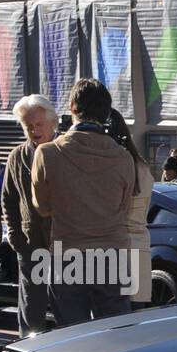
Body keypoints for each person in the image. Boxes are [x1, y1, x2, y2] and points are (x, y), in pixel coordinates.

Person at [31, 78, 135, 326]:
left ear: (72, 107)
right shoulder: (123, 157)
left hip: (68, 253)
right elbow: (125, 209)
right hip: (112, 254)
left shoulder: (47, 153)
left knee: (72, 337)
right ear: (107, 112)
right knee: (115, 335)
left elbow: (42, 208)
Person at [1, 95, 58, 337]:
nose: (33, 130)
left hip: (65, 242)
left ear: (53, 123)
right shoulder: (17, 156)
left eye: (38, 124)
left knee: (66, 305)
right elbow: (8, 198)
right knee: (31, 307)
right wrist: (15, 236)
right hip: (30, 242)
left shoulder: (64, 151)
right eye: (28, 126)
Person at [106, 108, 154, 307]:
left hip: (113, 248)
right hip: (139, 244)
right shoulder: (142, 166)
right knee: (137, 314)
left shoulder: (112, 164)